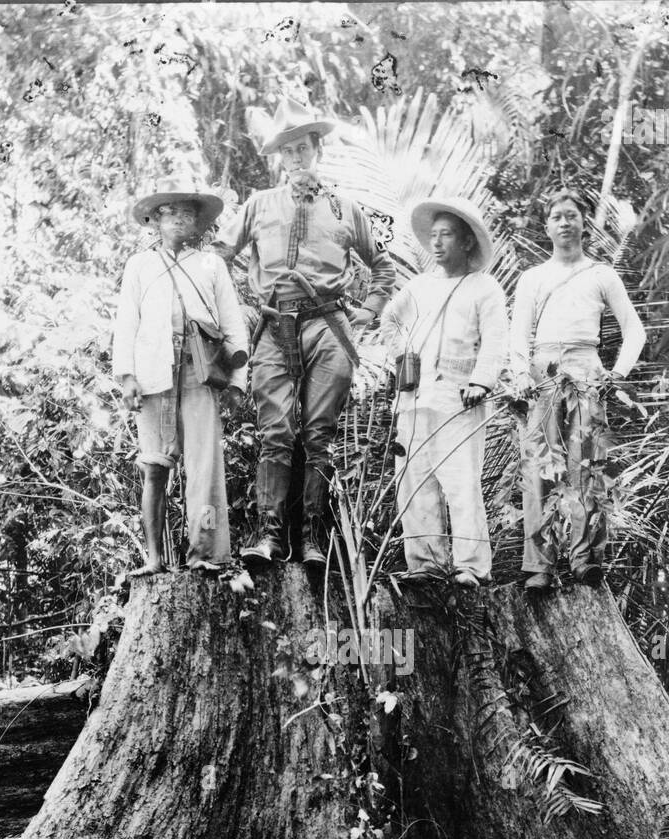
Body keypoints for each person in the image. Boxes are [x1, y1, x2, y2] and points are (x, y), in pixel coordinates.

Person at [215, 96, 395, 567]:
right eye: (288, 150)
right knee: (276, 432)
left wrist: (368, 311)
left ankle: (313, 540)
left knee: (318, 435)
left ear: (318, 148)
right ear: (280, 157)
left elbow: (383, 267)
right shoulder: (259, 205)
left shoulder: (344, 208)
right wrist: (235, 313)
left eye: (303, 147)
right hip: (274, 327)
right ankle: (269, 537)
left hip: (329, 327)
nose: (296, 157)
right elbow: (218, 258)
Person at [510, 188, 646, 591]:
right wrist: (520, 374)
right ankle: (539, 564)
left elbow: (634, 329)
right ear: (546, 226)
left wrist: (617, 372)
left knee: (584, 465)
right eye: (556, 216)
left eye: (572, 215)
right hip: (543, 371)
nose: (564, 222)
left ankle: (584, 558)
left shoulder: (602, 274)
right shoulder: (533, 277)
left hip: (587, 368)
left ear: (584, 223)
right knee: (539, 467)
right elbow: (518, 335)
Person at [113, 180, 249, 576]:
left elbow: (233, 325)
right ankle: (154, 558)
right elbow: (126, 324)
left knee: (204, 469)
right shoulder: (140, 265)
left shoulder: (211, 265)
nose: (180, 221)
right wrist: (127, 376)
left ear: (198, 223)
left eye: (188, 214)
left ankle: (205, 553)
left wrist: (237, 382)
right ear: (155, 220)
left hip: (200, 373)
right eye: (171, 213)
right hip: (154, 375)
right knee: (154, 467)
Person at [380, 196, 509, 586]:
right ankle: (425, 564)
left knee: (460, 482)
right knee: (414, 481)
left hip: (459, 397)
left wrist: (481, 381)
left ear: (466, 241)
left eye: (447, 235)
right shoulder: (418, 286)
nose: (437, 243)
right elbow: (389, 319)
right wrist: (401, 354)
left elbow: (495, 341)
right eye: (433, 236)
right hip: (414, 398)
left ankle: (470, 566)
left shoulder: (484, 288)